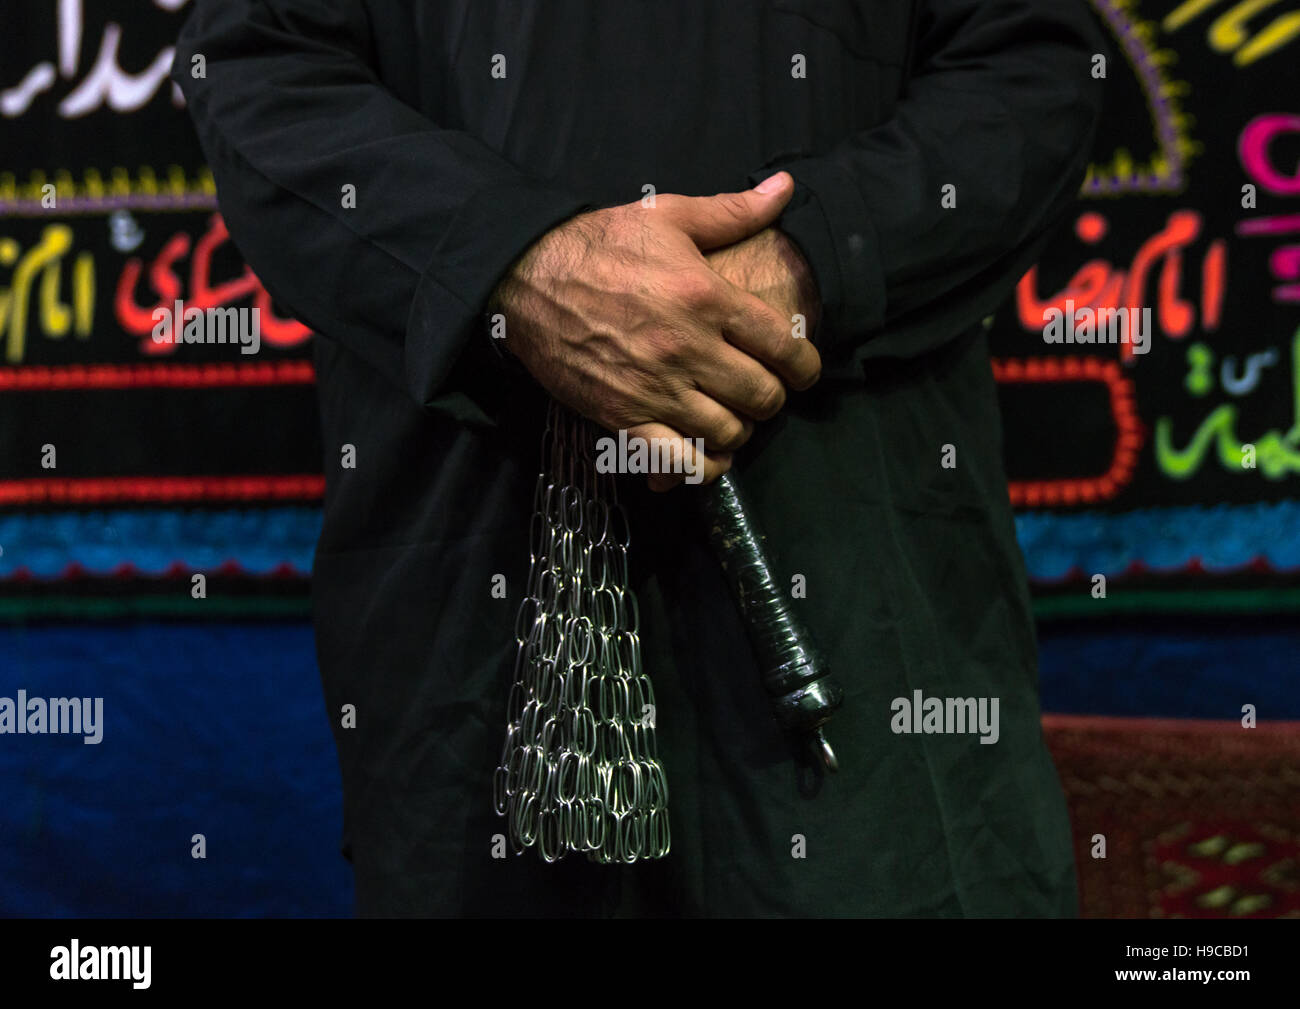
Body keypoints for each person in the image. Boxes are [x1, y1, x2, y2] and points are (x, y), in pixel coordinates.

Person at [173, 0, 1106, 916]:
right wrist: (516, 267)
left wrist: (795, 267)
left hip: (864, 599)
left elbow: (1033, 69)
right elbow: (257, 69)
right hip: (473, 609)